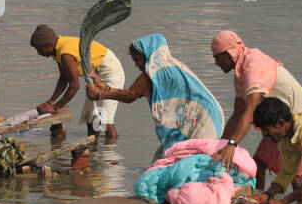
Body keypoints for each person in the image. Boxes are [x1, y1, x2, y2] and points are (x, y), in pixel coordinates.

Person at [210, 29, 302, 186]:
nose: (216, 63)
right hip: (279, 124)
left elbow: (250, 110)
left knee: (297, 177)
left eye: (218, 57)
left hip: (300, 121)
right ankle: (260, 201)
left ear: (230, 52)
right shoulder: (240, 71)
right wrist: (221, 145)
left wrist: (232, 144)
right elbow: (238, 113)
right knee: (259, 164)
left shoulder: (253, 65)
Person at [87, 34, 222, 160]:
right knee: (170, 158)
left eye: (138, 60)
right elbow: (132, 92)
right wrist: (102, 87)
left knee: (184, 161)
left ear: (148, 55)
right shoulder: (170, 66)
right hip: (209, 115)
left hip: (202, 120)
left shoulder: (154, 73)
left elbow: (129, 96)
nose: (136, 65)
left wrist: (99, 94)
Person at [30, 24, 124, 141]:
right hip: (95, 76)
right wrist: (51, 101)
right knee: (91, 116)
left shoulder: (65, 54)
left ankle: (110, 151)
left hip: (109, 71)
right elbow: (64, 77)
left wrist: (56, 107)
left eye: (40, 49)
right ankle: (93, 149)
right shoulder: (57, 50)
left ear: (49, 45)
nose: (39, 53)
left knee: (104, 119)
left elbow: (74, 86)